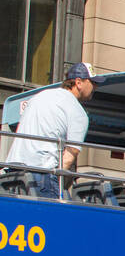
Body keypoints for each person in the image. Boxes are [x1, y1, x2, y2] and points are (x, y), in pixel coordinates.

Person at [4, 62, 103, 198]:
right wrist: (57, 183)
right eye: (93, 82)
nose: (96, 87)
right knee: (46, 218)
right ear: (78, 82)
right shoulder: (78, 112)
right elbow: (69, 156)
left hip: (12, 171)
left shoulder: (40, 96)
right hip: (41, 174)